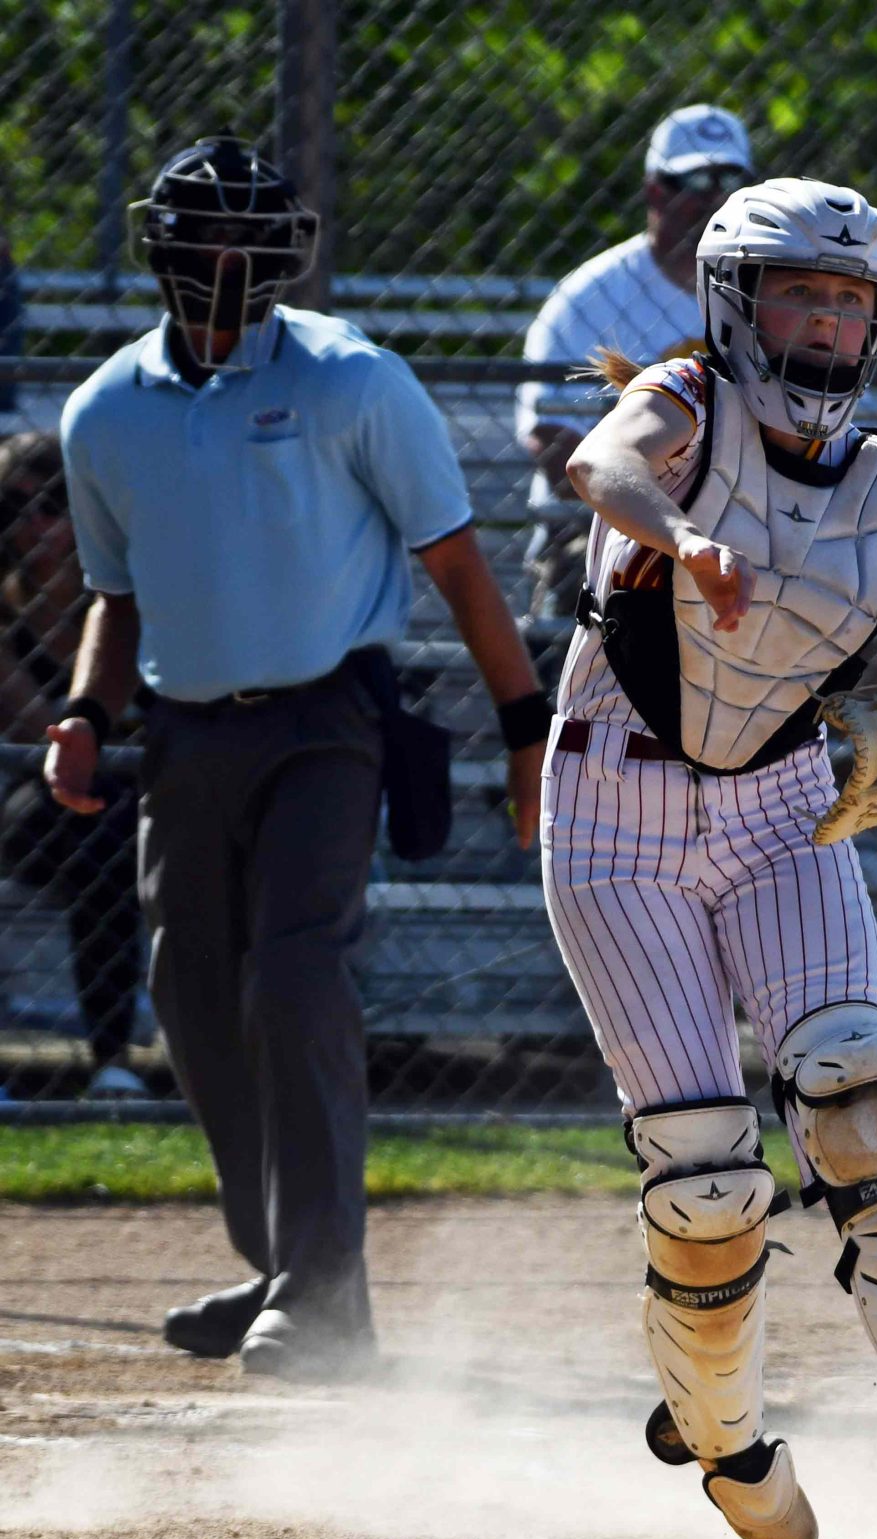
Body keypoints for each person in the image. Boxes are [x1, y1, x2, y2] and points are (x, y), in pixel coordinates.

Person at [548, 176, 877, 1539]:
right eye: (801, 294)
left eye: (850, 300)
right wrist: (687, 534)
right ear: (737, 303)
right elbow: (605, 468)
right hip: (613, 808)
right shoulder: (686, 405)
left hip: (779, 806)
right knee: (706, 1177)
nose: (826, 322)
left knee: (858, 1075)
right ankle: (723, 1440)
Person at [46, 138, 547, 1379]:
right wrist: (84, 714)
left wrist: (528, 730)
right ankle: (283, 1265)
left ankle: (321, 1295)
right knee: (191, 997)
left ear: (286, 255)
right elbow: (114, 595)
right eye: (205, 240)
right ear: (161, 253)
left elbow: (459, 567)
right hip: (181, 733)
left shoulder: (353, 381)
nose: (228, 263)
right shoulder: (104, 412)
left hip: (329, 722)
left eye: (253, 241)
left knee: (295, 975)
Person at [518, 105, 756, 626]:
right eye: (694, 180)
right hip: (608, 523)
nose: (714, 198)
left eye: (732, 182)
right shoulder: (591, 297)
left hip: (754, 517)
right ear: (655, 190)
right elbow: (556, 445)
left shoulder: (769, 294)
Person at [0, 433, 146, 1099]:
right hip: (31, 797)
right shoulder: (4, 609)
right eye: (14, 506)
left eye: (54, 504)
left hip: (124, 800)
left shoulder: (121, 599)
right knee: (96, 833)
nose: (35, 524)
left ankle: (112, 1059)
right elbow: (46, 735)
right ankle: (112, 1053)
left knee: (104, 836)